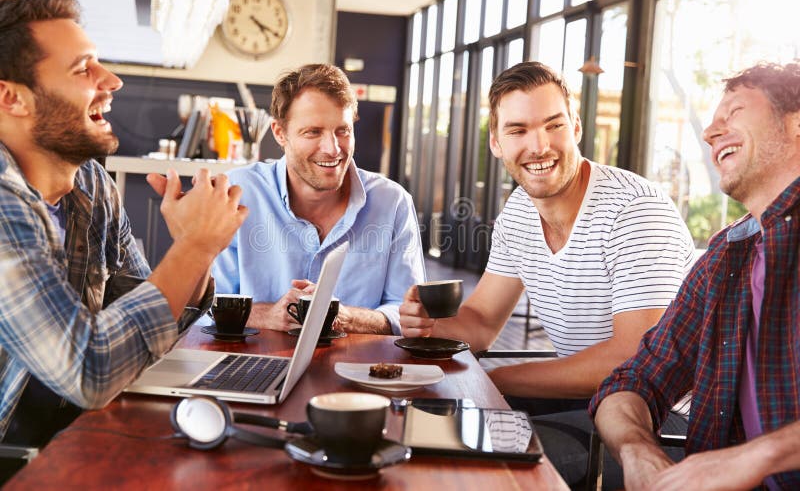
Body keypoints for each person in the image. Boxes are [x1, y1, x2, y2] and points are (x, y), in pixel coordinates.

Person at [399, 61, 694, 487]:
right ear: (496, 143)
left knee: (473, 461)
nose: (539, 147)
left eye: (552, 125)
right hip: (590, 400)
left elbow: (632, 358)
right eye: (518, 130)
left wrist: (493, 381)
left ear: (575, 127)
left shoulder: (634, 212)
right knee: (423, 428)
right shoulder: (519, 212)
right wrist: (429, 325)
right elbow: (480, 322)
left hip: (662, 424)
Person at [0, 0, 247, 461]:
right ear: (12, 98)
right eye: (83, 69)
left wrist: (201, 248)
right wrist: (192, 247)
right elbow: (90, 369)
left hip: (68, 435)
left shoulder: (91, 183)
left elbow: (151, 322)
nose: (111, 80)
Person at [591, 62, 800, 490]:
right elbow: (634, 380)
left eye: (735, 111)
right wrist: (638, 452)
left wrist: (757, 457)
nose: (709, 132)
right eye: (711, 121)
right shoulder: (725, 259)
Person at [212, 64, 424, 335]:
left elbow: (405, 313)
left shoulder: (393, 202)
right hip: (257, 365)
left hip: (359, 371)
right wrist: (267, 315)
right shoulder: (237, 192)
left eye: (342, 131)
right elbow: (206, 303)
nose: (332, 149)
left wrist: (344, 316)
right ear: (280, 133)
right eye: (313, 132)